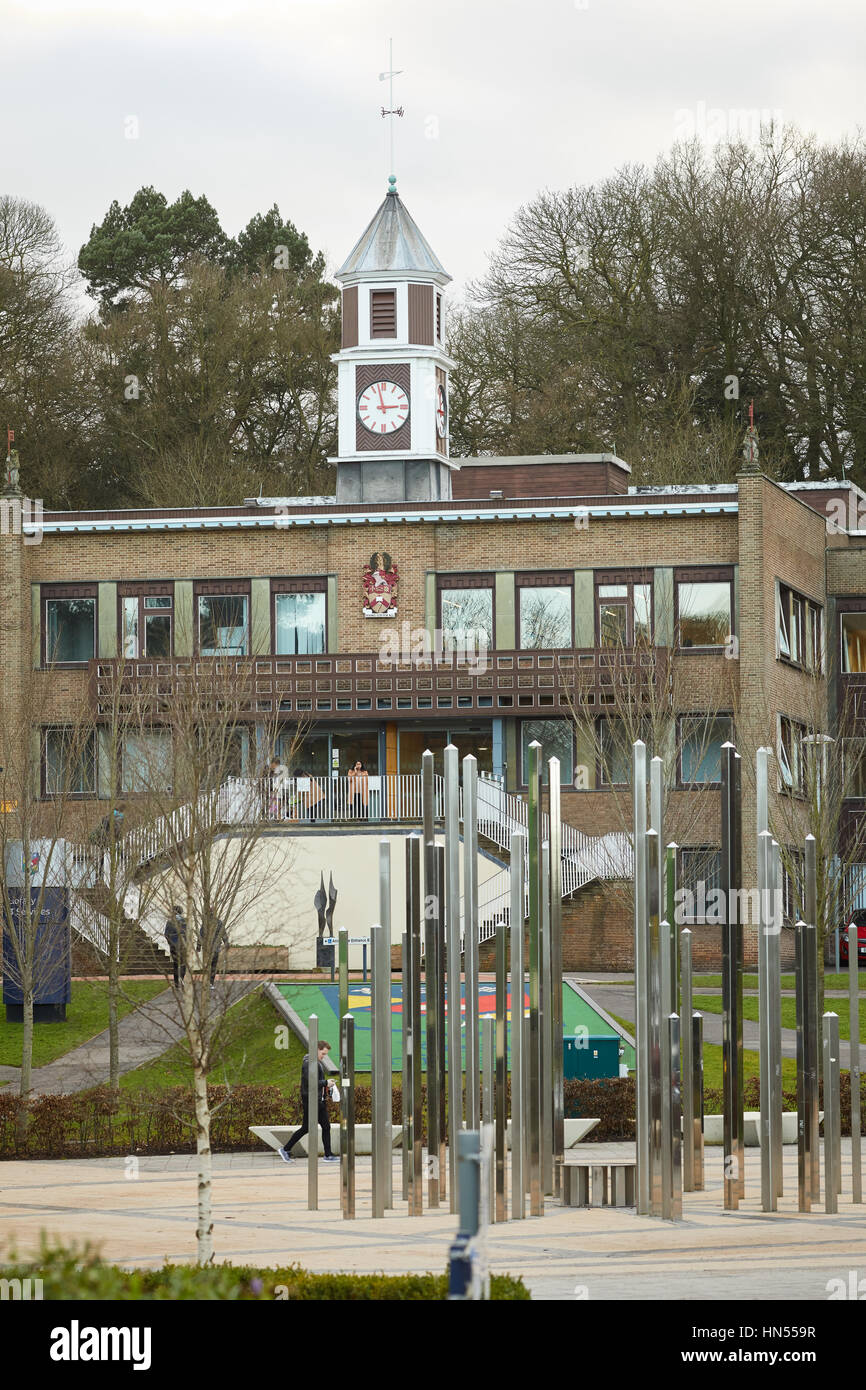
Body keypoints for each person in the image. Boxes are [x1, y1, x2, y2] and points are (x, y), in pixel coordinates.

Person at [278, 1041, 338, 1163]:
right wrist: (326, 1083)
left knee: (326, 1126)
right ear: (316, 1049)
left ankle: (328, 1154)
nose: (323, 1056)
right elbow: (311, 1082)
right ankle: (285, 1149)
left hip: (318, 1101)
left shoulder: (314, 1063)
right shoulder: (309, 1063)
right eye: (322, 1053)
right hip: (311, 1101)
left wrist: (326, 1084)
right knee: (306, 1128)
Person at [199, 915, 228, 990]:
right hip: (215, 947)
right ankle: (211, 982)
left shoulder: (205, 923)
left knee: (207, 965)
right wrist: (226, 943)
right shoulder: (219, 922)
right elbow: (223, 933)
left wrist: (198, 946)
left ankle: (206, 982)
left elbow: (201, 935)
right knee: (213, 966)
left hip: (207, 948)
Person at [164, 905, 187, 987]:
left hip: (174, 945)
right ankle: (182, 978)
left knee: (176, 964)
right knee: (183, 963)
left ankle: (177, 983)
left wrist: (170, 943)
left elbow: (166, 934)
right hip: (183, 945)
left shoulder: (170, 922)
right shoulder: (184, 921)